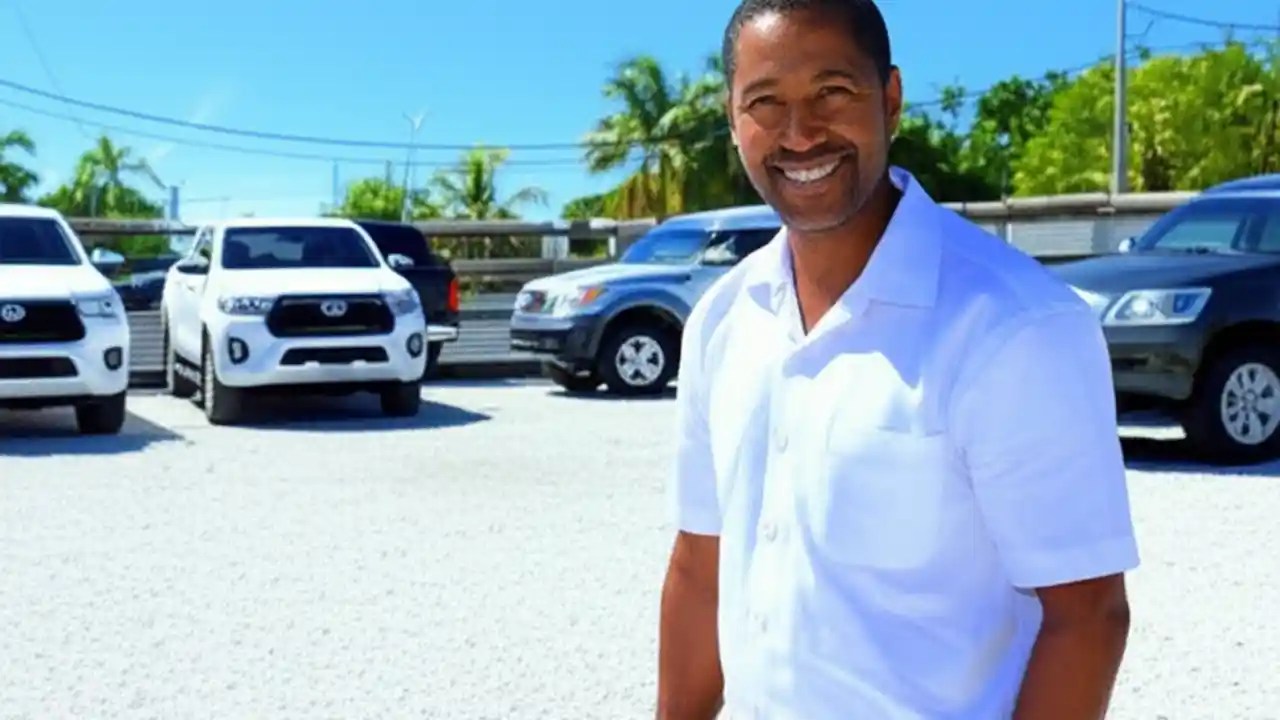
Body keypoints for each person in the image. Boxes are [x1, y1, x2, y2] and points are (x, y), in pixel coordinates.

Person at [656, 0, 1140, 717]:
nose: (799, 131)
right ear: (733, 120)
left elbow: (1088, 615)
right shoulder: (723, 322)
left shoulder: (1014, 326)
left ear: (890, 99)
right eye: (765, 102)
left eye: (833, 91)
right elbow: (702, 568)